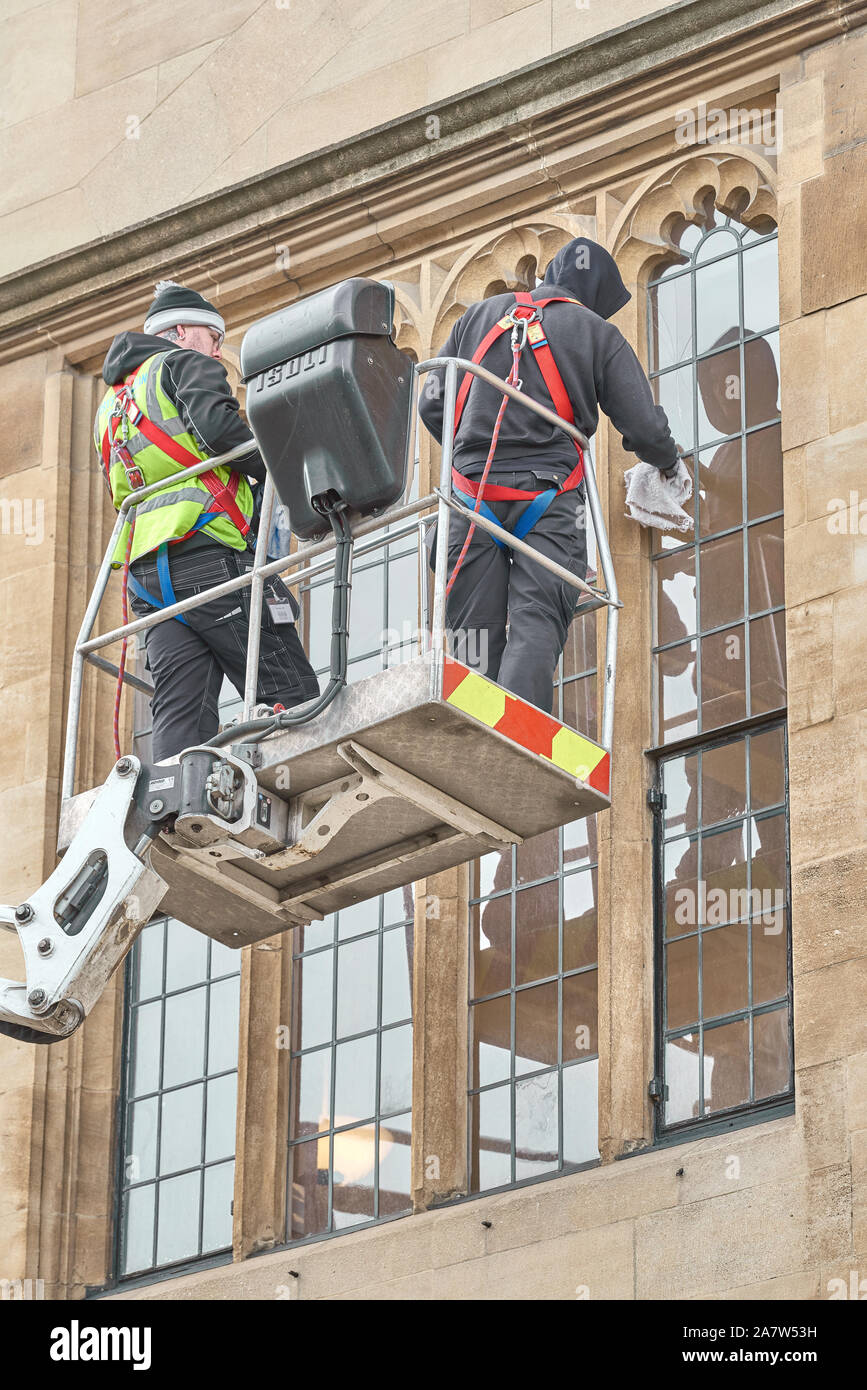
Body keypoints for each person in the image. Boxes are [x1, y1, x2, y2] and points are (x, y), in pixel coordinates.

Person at [418, 236, 681, 716]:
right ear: (596, 296)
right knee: (537, 620)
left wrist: (467, 449)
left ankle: (476, 736)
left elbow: (430, 399)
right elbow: (643, 425)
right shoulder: (594, 332)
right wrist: (668, 461)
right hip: (549, 501)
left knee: (473, 632)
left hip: (469, 500)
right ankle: (517, 736)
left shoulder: (476, 317)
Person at [94, 279, 319, 761]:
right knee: (287, 688)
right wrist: (278, 463)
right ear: (181, 331)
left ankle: (175, 814)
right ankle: (302, 777)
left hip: (147, 579)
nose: (218, 353)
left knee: (182, 709)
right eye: (214, 338)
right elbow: (219, 432)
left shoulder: (110, 405)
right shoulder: (183, 364)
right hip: (205, 550)